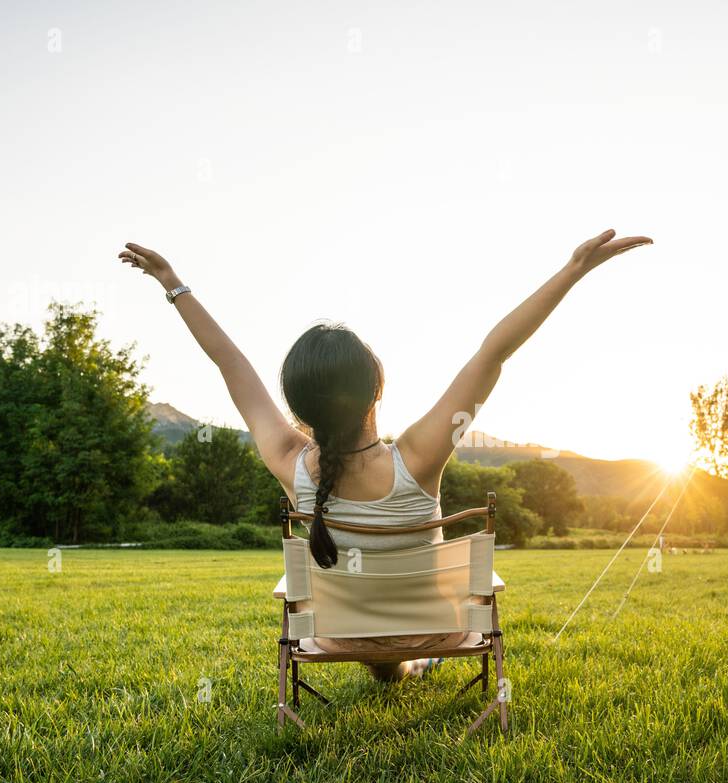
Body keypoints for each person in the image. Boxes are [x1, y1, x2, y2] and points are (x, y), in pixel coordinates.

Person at [118, 229, 651, 679]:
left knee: (368, 621)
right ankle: (414, 662)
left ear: (299, 406)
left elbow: (228, 363)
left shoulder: (287, 458)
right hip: (434, 627)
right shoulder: (418, 457)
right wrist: (572, 271)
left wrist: (173, 284)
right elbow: (495, 351)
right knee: (403, 623)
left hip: (339, 633)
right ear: (377, 390)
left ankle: (399, 666)